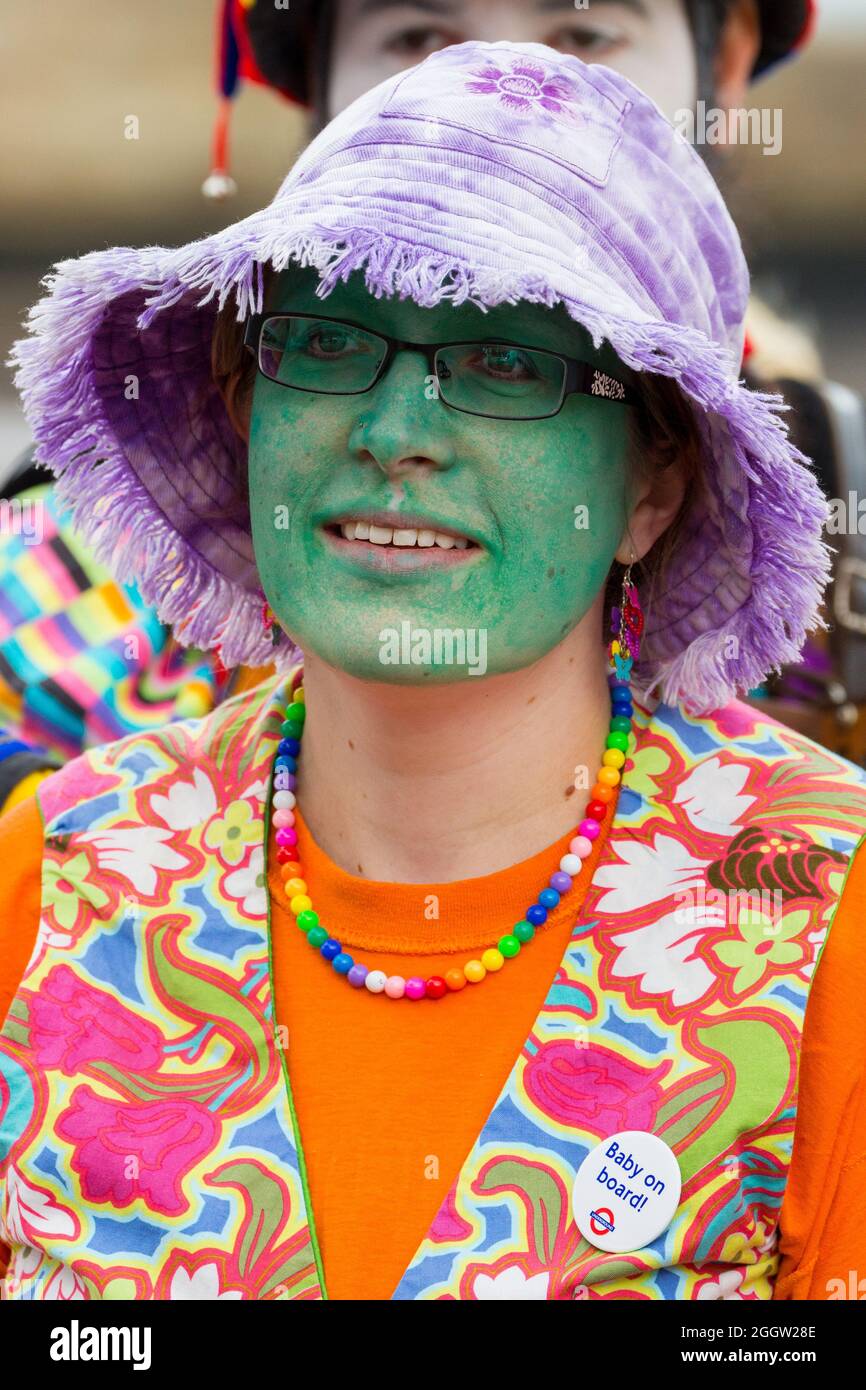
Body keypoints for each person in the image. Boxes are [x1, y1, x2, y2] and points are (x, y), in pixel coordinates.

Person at [1, 41, 865, 1302]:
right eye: (325, 341)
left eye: (506, 362)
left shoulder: (824, 909)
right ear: (245, 405)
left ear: (652, 484)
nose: (395, 434)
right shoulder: (60, 871)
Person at [6, 0, 856, 819]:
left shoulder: (823, 876)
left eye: (584, 35)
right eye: (418, 35)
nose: (495, 88)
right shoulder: (59, 847)